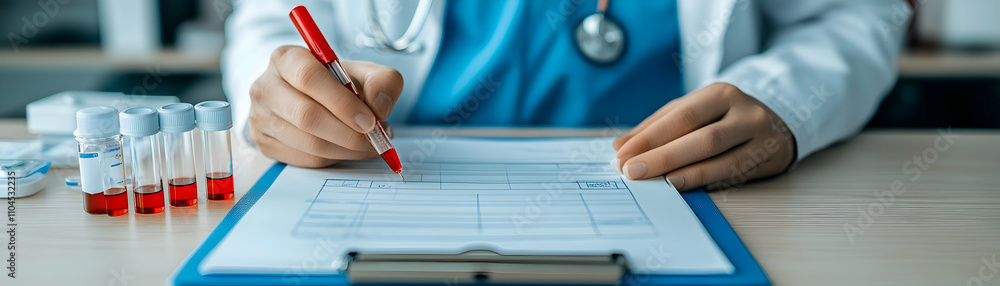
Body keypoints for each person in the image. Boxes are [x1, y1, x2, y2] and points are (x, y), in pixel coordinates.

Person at [223, 0, 908, 191]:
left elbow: (862, 14)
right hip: (398, 185)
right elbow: (267, 21)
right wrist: (281, 97)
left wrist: (785, 101)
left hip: (680, 188)